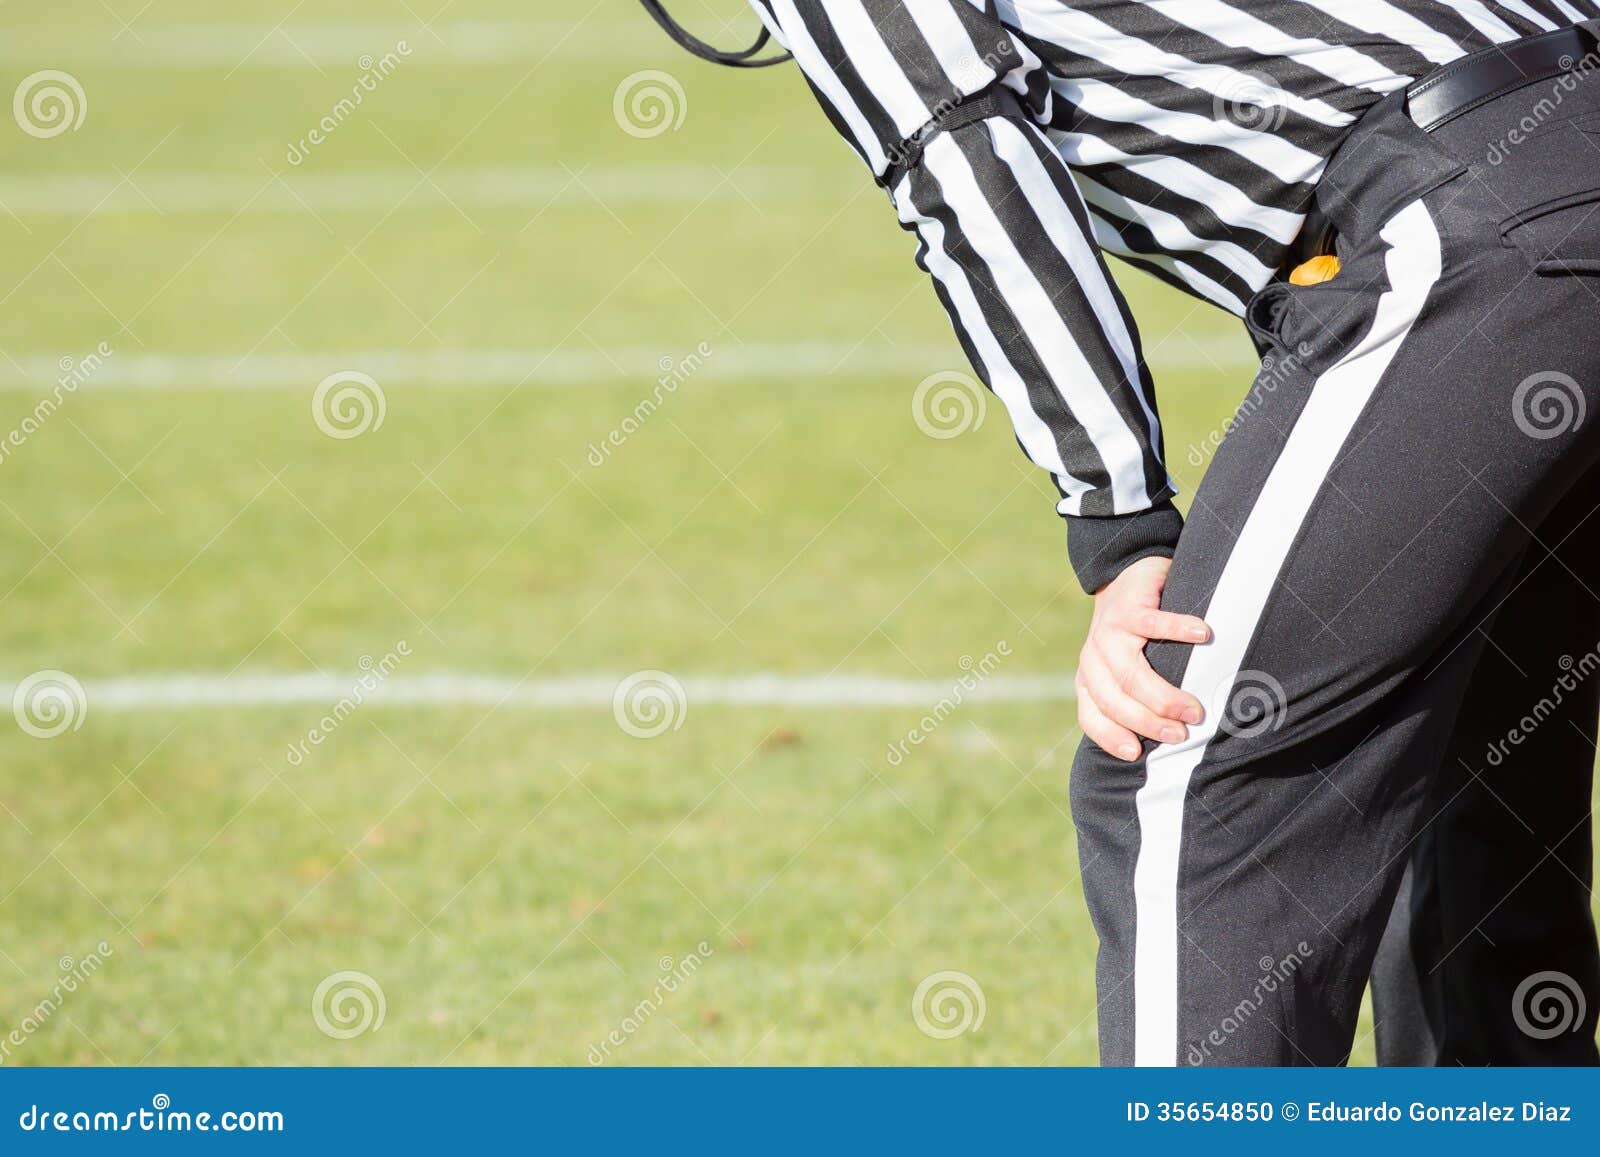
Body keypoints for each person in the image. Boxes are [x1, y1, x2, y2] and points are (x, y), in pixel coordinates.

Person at [640, 0, 1600, 1066]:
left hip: (1463, 226)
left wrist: (1119, 522)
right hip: (1554, 150)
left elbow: (962, 150)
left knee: (1181, 773)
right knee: (1467, 801)